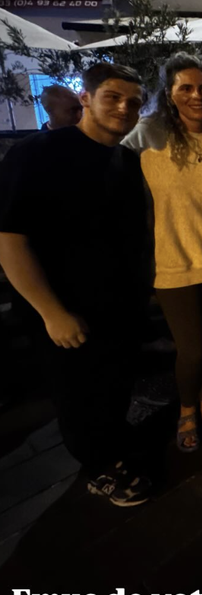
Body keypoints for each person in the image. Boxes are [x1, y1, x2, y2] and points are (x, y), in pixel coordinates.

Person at [0, 63, 152, 506]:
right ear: (85, 99)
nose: (124, 108)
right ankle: (100, 468)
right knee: (78, 395)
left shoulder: (126, 161)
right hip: (65, 307)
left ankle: (114, 446)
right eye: (113, 97)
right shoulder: (38, 153)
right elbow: (11, 238)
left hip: (120, 304)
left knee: (113, 385)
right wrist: (51, 311)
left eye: (133, 102)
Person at [124, 52, 202, 453]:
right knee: (193, 347)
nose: (197, 95)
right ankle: (186, 409)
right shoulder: (146, 137)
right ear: (169, 94)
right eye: (186, 88)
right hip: (173, 263)